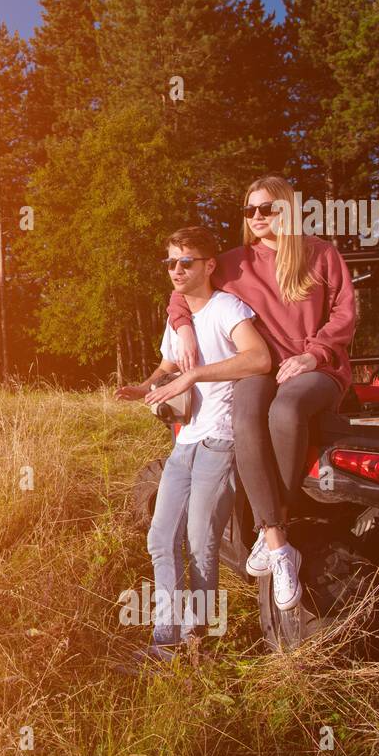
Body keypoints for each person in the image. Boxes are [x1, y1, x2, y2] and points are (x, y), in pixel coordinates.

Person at [168, 175, 357, 613]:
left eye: (266, 208)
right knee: (246, 414)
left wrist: (313, 355)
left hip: (316, 367)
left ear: (288, 209)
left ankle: (273, 521)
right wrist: (182, 327)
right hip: (261, 366)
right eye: (249, 210)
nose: (256, 217)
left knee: (287, 410)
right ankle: (276, 540)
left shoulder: (321, 254)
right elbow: (182, 290)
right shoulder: (234, 263)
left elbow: (345, 314)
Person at [117, 226, 270, 659]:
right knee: (161, 539)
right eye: (170, 262)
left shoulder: (226, 308)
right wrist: (143, 385)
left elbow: (259, 358)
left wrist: (197, 374)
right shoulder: (178, 316)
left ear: (209, 265)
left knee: (201, 542)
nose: (176, 270)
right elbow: (168, 363)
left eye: (186, 262)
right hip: (187, 441)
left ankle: (199, 642)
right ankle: (166, 640)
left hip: (220, 439)